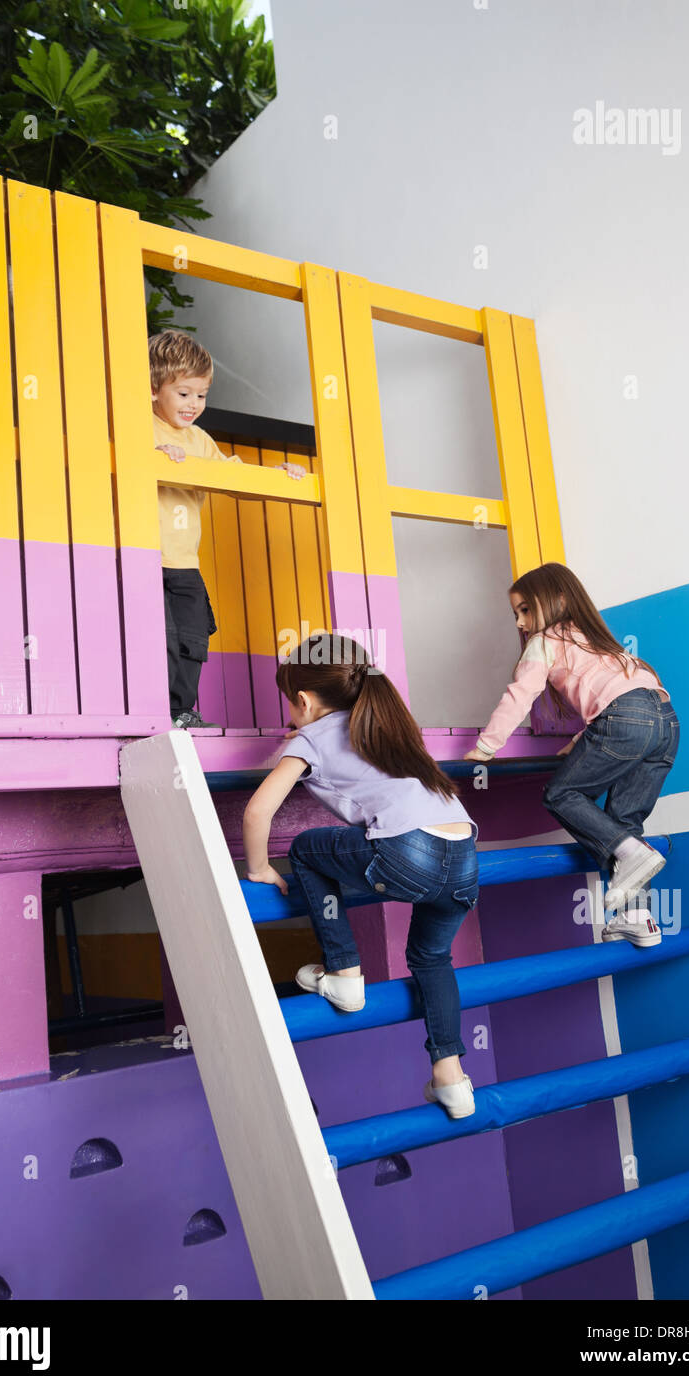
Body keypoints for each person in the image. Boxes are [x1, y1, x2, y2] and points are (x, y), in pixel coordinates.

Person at [241, 634, 481, 1119]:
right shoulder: (387, 725)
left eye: (292, 706)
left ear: (303, 701)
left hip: (409, 851)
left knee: (306, 849)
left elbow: (257, 811)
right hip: (464, 855)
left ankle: (345, 972)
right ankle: (451, 1079)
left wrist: (260, 868)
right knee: (433, 959)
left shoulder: (311, 737)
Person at [464, 563, 679, 948]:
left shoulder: (547, 640)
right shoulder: (597, 640)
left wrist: (483, 749)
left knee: (561, 794)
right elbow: (625, 695)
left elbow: (519, 696)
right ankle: (638, 919)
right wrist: (583, 738)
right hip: (666, 725)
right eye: (515, 613)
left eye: (526, 609)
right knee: (620, 821)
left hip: (625, 722)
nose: (520, 621)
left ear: (559, 600)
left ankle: (632, 852)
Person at [150, 330, 306, 729]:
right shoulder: (140, 428)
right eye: (183, 393)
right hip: (146, 556)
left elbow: (233, 480)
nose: (193, 405)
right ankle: (153, 712)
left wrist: (275, 475)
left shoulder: (199, 440)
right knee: (158, 636)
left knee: (192, 638)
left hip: (184, 562)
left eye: (201, 395)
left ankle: (181, 711)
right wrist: (155, 457)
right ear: (154, 389)